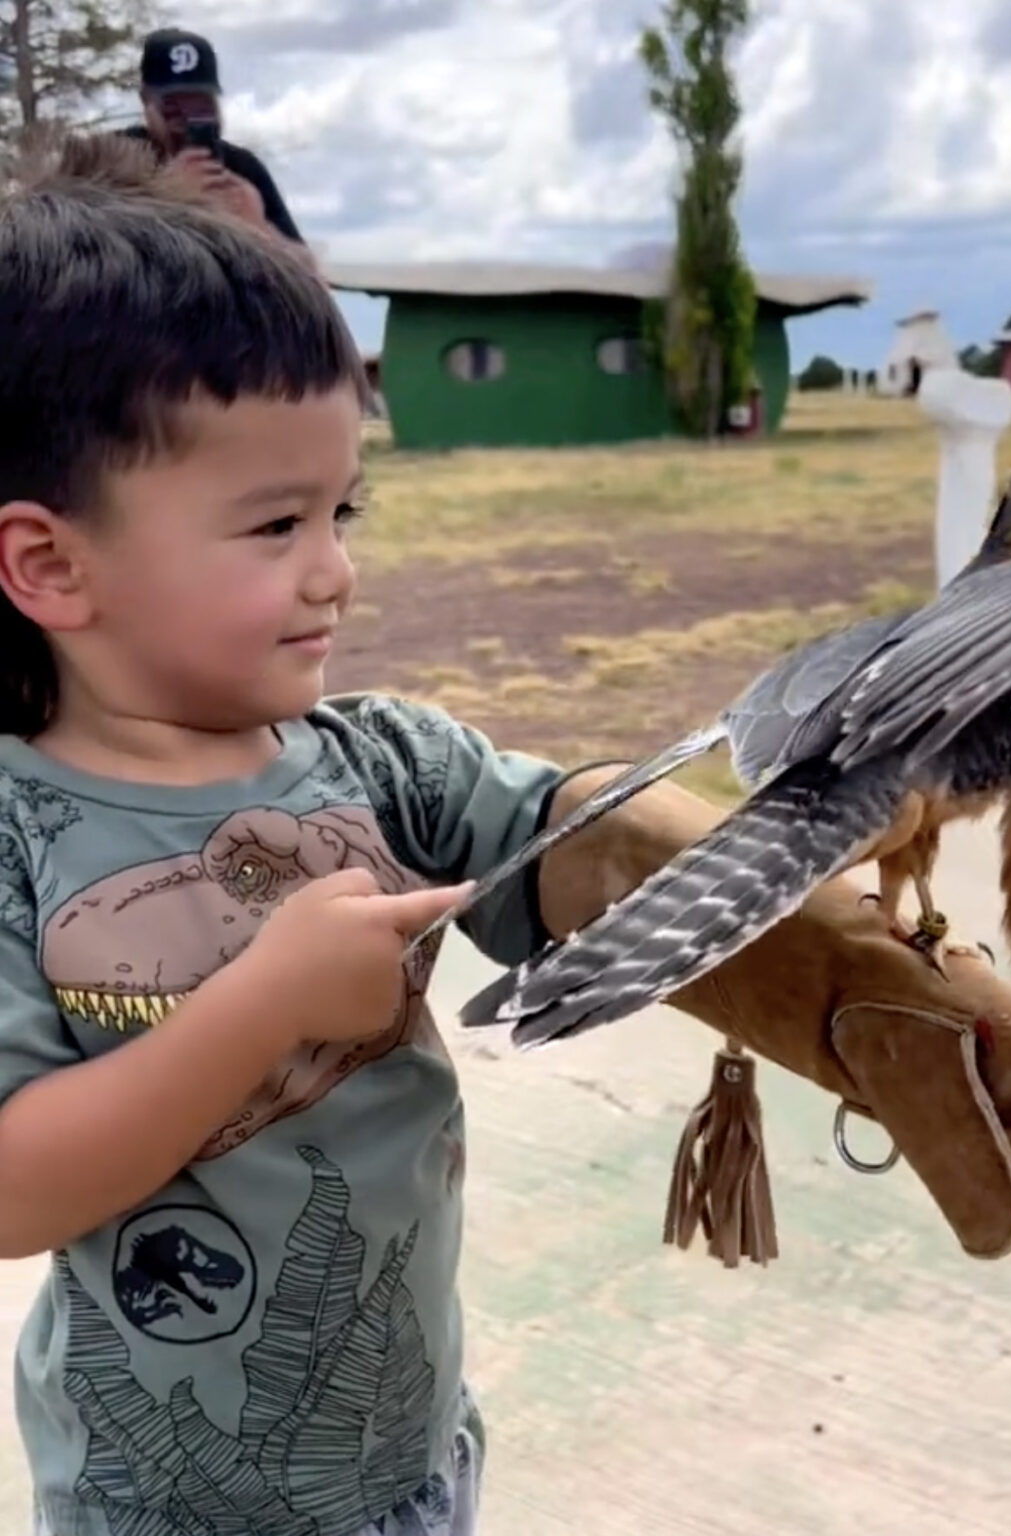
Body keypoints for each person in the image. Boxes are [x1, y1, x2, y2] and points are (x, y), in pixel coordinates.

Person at [0, 136, 568, 1536]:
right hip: (163, 1507)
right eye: (273, 524)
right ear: (51, 564)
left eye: (342, 510)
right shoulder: (18, 828)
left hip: (415, 1462)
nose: (336, 568)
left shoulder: (384, 765)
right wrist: (261, 1004)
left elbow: (574, 846)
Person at [120, 26, 312, 262]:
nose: (189, 122)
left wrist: (259, 228)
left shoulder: (242, 168)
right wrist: (167, 195)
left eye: (201, 108)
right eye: (173, 110)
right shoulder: (112, 158)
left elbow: (311, 276)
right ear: (146, 101)